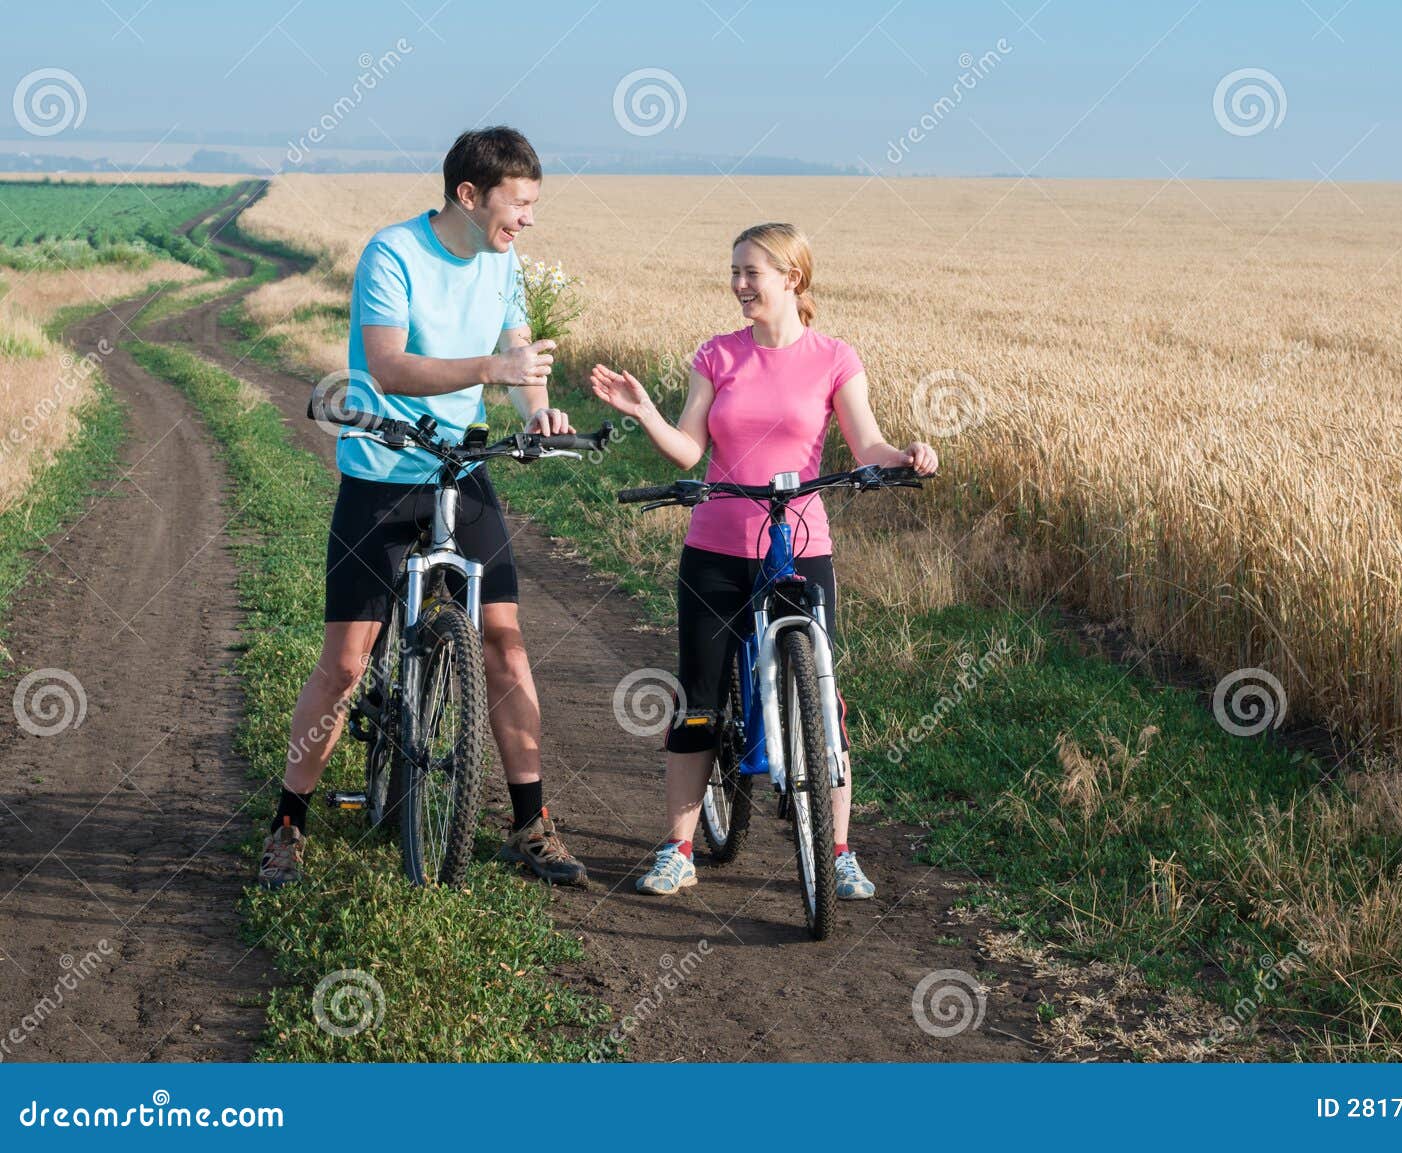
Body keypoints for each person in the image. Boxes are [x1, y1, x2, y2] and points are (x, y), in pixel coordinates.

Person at [258, 126, 588, 889]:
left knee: (504, 640)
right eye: (521, 202)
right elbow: (387, 364)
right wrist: (490, 367)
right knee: (344, 664)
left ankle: (530, 822)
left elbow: (520, 358)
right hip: (382, 467)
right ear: (470, 196)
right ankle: (287, 823)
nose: (529, 219)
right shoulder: (393, 253)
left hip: (461, 463)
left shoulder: (506, 264)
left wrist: (535, 407)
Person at [589, 221, 938, 900]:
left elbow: (867, 443)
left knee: (825, 702)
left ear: (792, 279)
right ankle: (679, 846)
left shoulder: (835, 357)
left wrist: (905, 457)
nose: (739, 285)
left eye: (752, 272)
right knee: (698, 700)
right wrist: (644, 412)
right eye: (734, 272)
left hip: (802, 548)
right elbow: (689, 452)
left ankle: (837, 850)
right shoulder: (717, 355)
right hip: (716, 546)